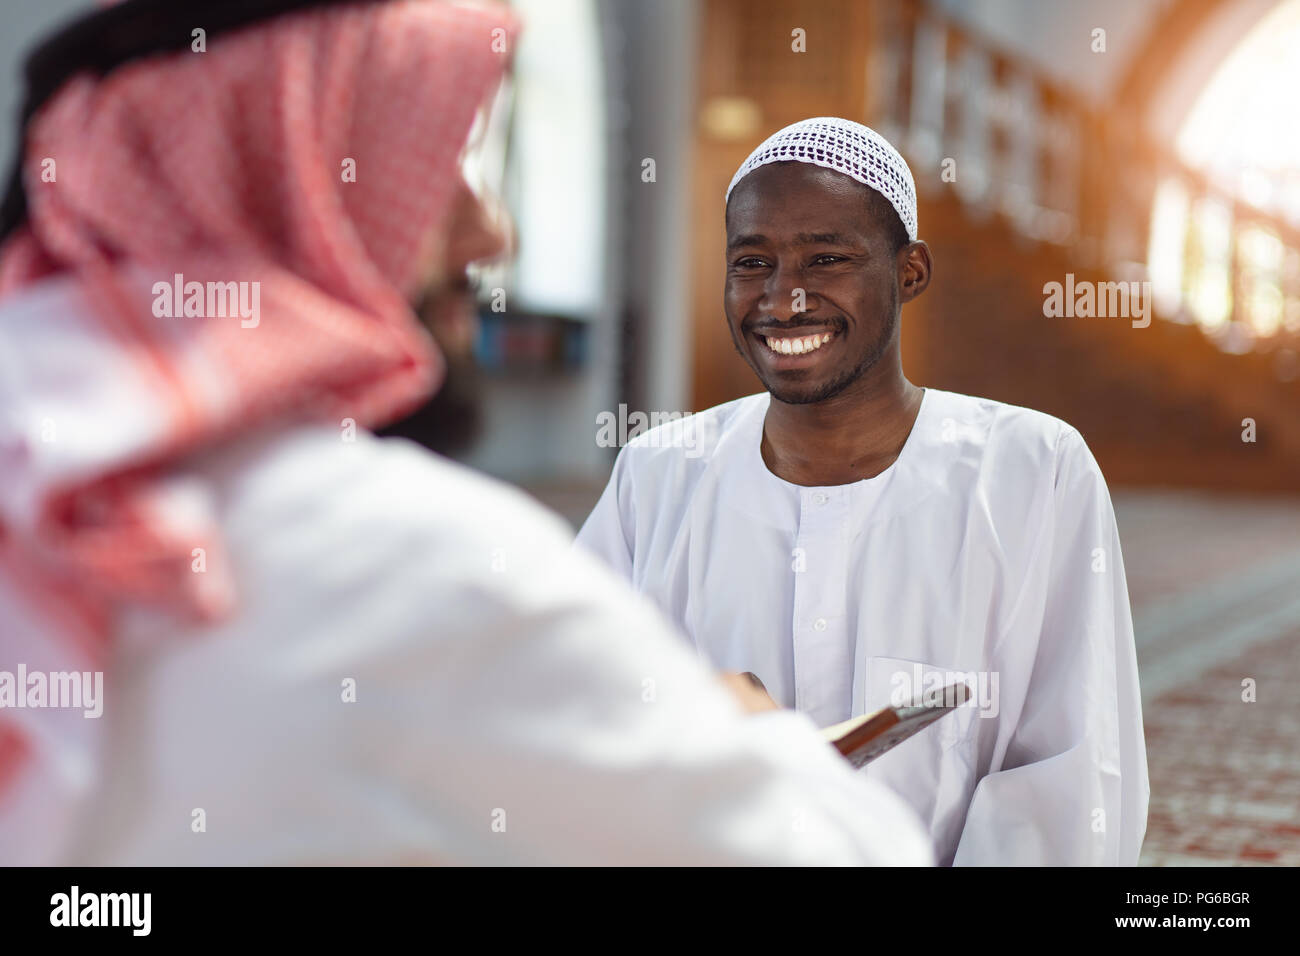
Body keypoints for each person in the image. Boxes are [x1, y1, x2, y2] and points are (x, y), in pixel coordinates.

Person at [0, 1, 935, 866]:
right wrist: (748, 739)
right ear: (290, 177)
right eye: (435, 165)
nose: (490, 235)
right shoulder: (405, 567)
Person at [577, 116, 1150, 865]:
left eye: (827, 258)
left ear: (909, 271)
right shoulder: (659, 475)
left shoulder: (1031, 470)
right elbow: (572, 710)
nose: (785, 300)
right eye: (753, 262)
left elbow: (1073, 778)